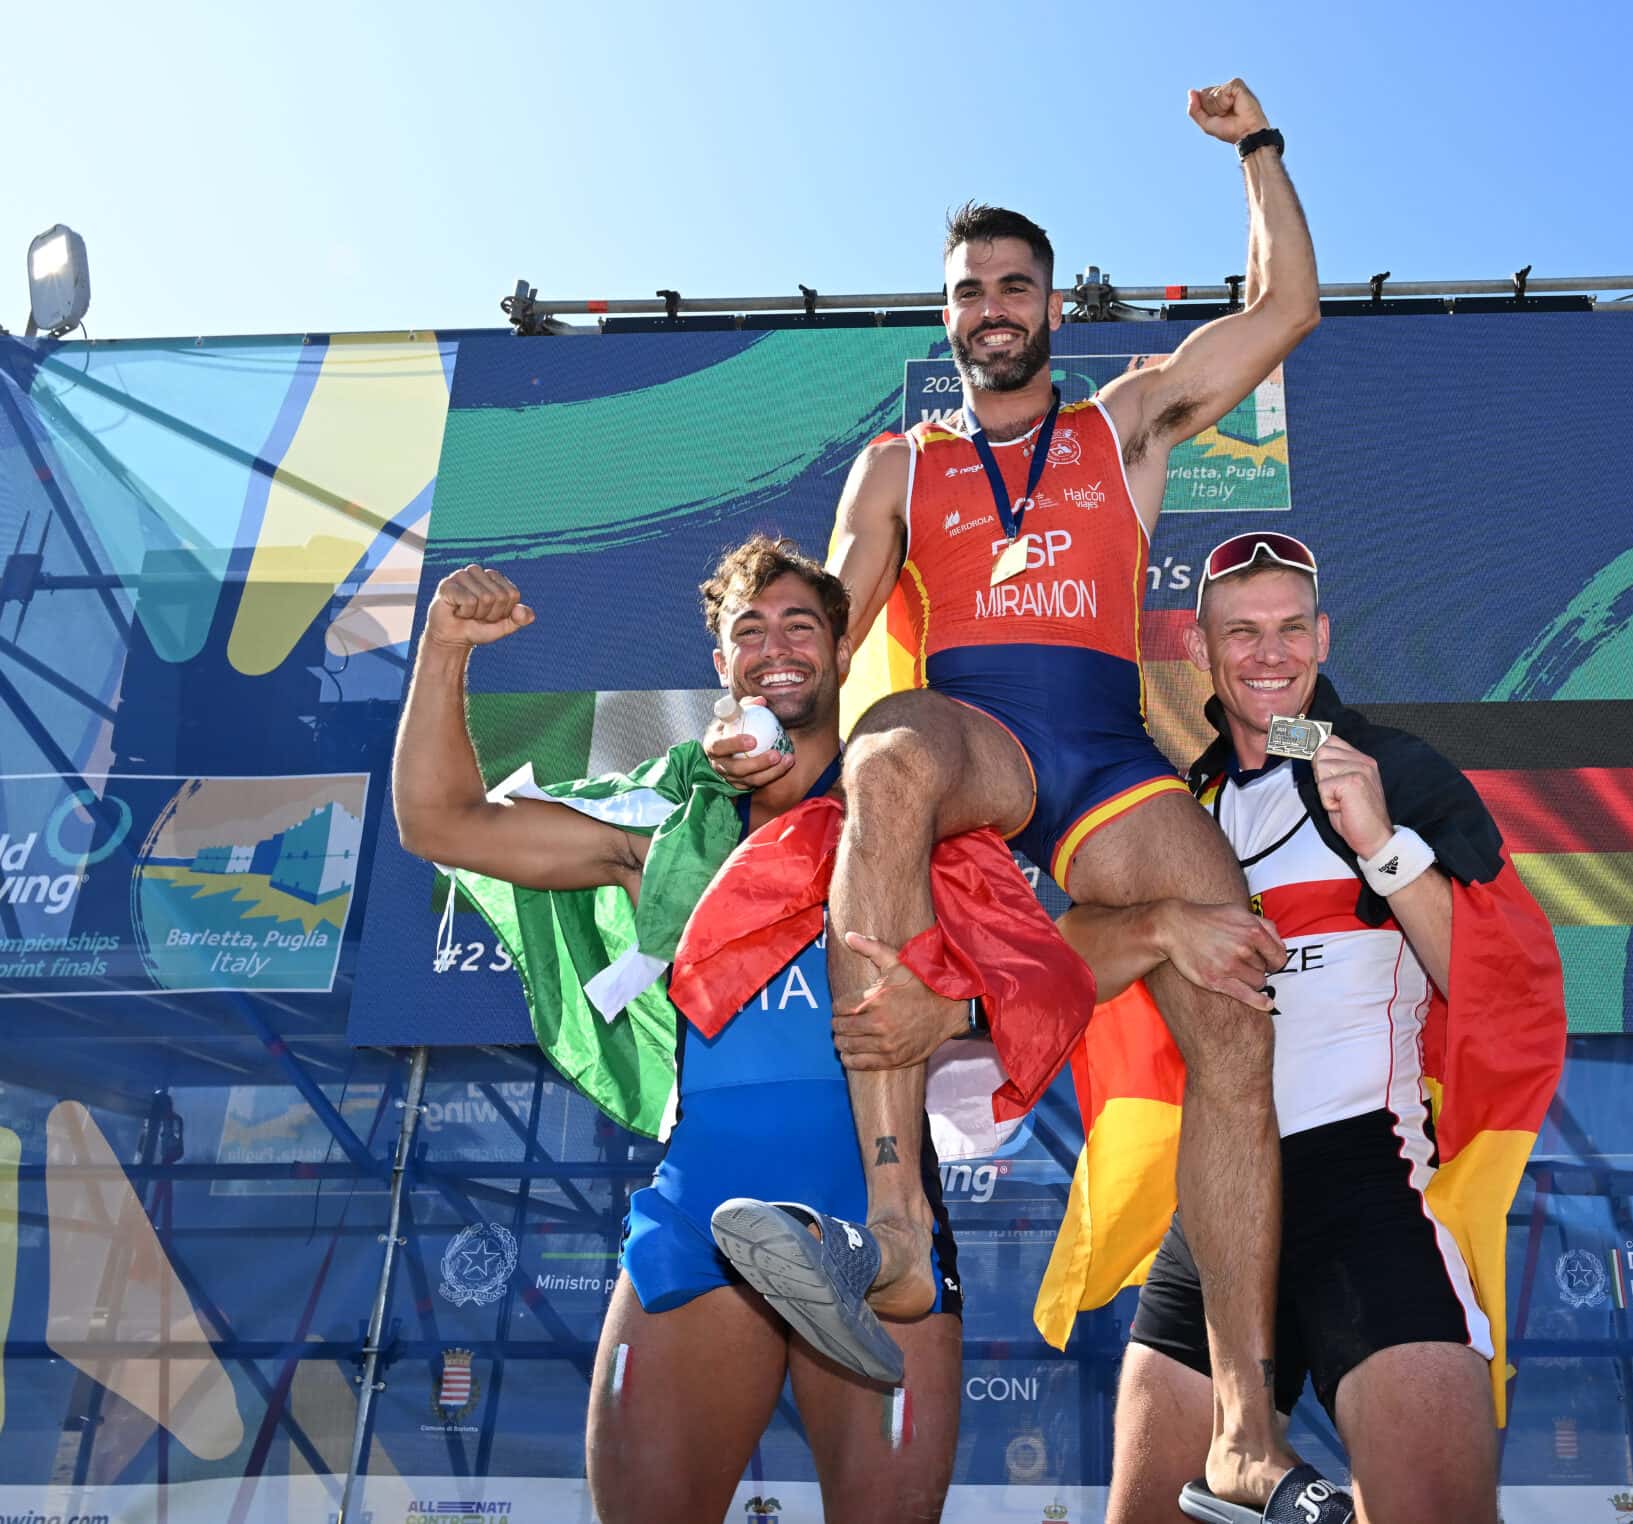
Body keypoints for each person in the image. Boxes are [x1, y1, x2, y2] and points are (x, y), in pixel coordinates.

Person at [713, 77, 1322, 1513]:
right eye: (968, 290)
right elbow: (833, 631)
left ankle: (1243, 1431)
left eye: (1015, 284)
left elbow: (1286, 304)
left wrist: (1256, 148)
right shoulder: (900, 464)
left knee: (1234, 992)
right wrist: (753, 724)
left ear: (1054, 303)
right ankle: (895, 1228)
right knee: (890, 752)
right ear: (946, 319)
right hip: (980, 744)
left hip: (1103, 759)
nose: (992, 305)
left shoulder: (1128, 424)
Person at [390, 540, 966, 1524]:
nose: (775, 648)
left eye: (800, 627)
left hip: (878, 1216)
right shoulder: (667, 833)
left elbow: (1056, 967)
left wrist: (956, 1008)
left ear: (840, 652)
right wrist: (444, 650)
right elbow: (441, 825)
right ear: (721, 665)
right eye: (751, 631)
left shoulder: (923, 818)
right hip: (704, 1210)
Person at [1055, 530, 1565, 1524]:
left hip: (1365, 1186)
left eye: (1291, 627)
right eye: (1241, 633)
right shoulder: (1175, 807)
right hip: (1212, 1204)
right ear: (1200, 648)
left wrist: (1380, 842)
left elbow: (1490, 983)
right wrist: (1160, 923)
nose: (1270, 653)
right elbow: (1055, 972)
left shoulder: (1397, 770)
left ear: (1324, 636)